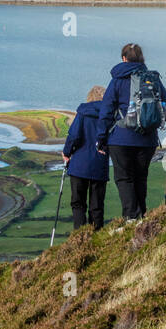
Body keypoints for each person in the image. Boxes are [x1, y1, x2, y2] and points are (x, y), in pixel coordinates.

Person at [96, 43, 166, 222]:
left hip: (121, 139)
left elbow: (106, 110)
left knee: (124, 178)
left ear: (124, 59)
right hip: (147, 139)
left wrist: (101, 138)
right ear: (142, 59)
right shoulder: (152, 78)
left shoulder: (117, 80)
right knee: (141, 177)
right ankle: (142, 217)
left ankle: (131, 217)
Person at [62, 85, 109, 230]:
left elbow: (74, 136)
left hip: (79, 165)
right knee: (97, 206)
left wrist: (66, 153)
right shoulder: (110, 115)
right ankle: (96, 237)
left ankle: (80, 237)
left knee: (78, 203)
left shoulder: (82, 113)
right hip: (99, 164)